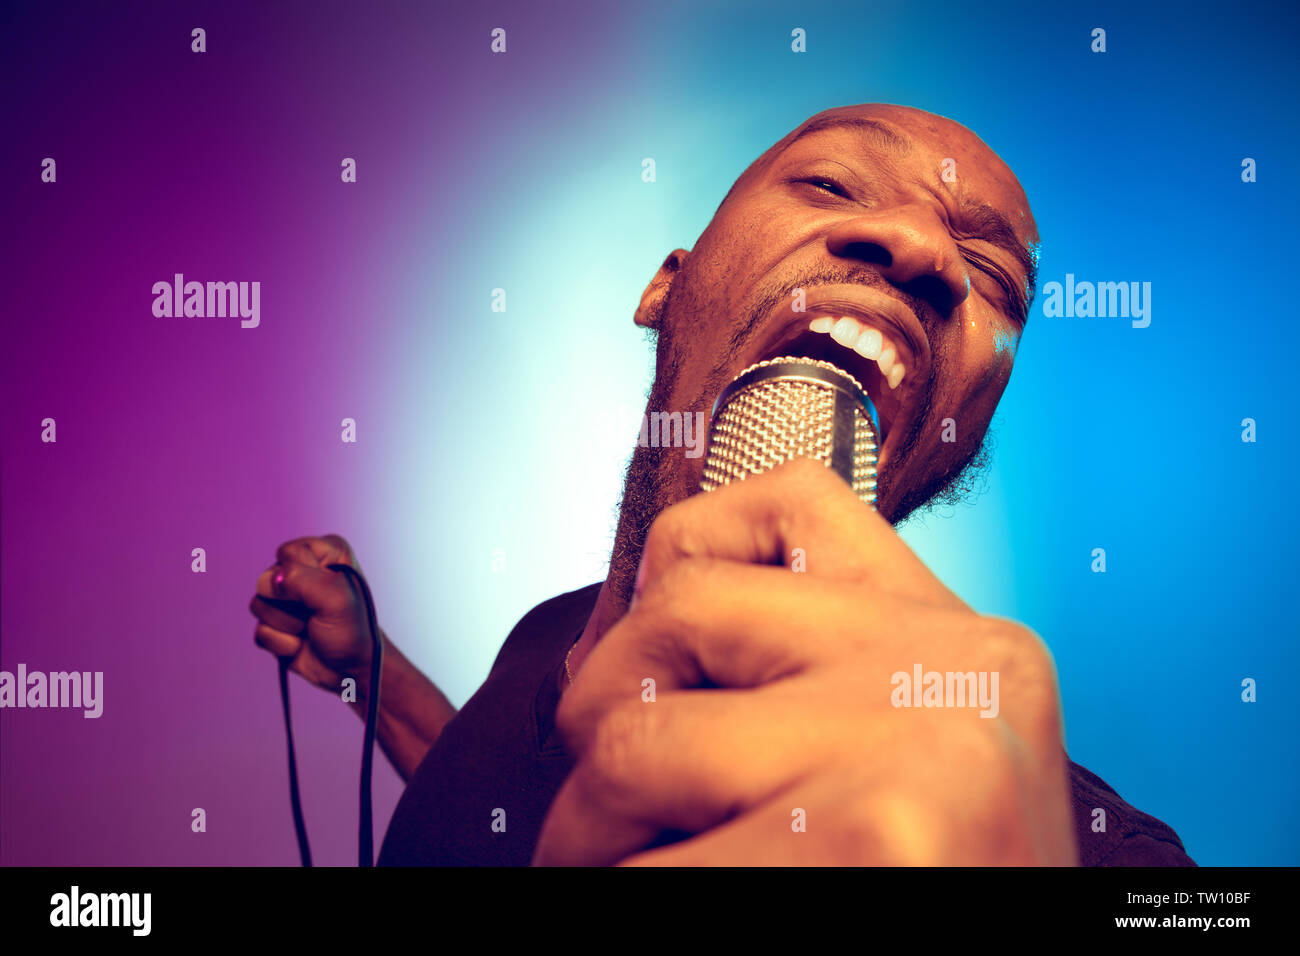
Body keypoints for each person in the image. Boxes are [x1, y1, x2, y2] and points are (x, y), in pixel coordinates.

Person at [248, 104, 1195, 866]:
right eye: (831, 183)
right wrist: (375, 677)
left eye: (992, 273)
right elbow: (490, 814)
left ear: (968, 434)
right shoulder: (550, 634)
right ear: (670, 285)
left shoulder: (1083, 852)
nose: (919, 246)